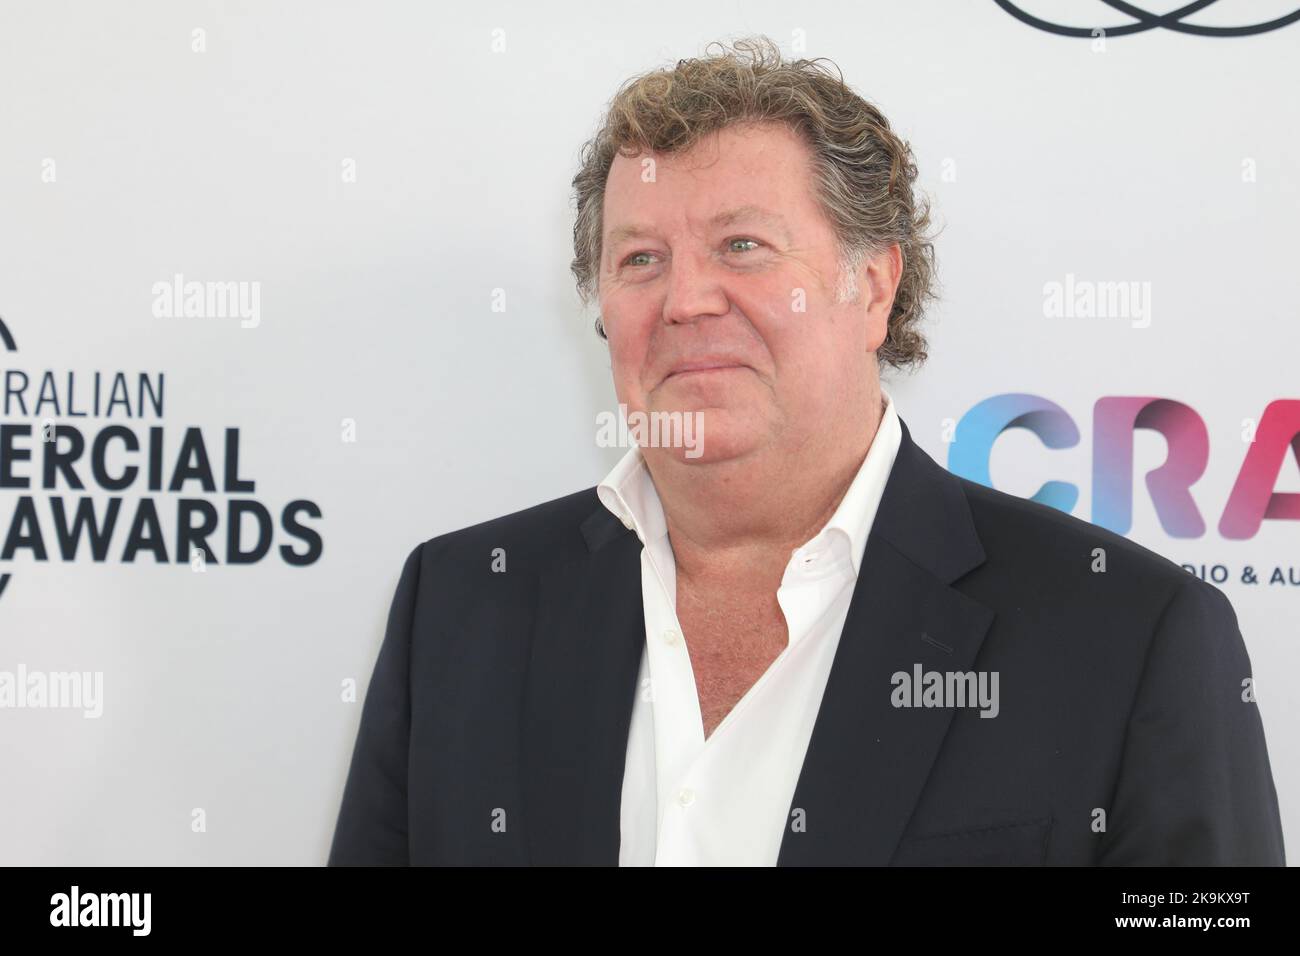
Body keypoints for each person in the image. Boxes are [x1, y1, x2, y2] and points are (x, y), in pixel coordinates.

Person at [328, 36, 1285, 866]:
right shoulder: (460, 605)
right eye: (639, 259)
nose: (686, 298)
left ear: (872, 286)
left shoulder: (1127, 638)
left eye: (742, 246)